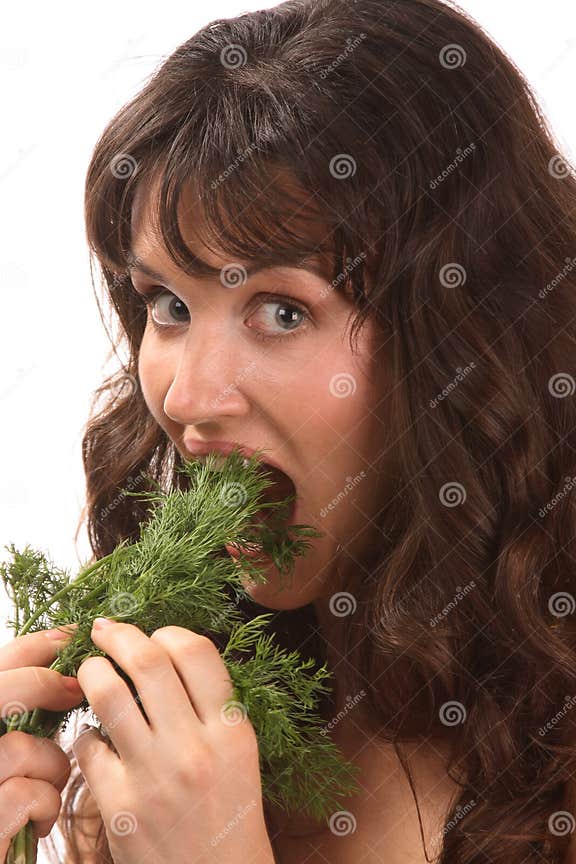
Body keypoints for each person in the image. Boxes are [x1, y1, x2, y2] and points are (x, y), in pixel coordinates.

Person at [2, 0, 576, 860]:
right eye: (168, 304)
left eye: (280, 310)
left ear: (462, 342)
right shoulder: (166, 744)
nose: (188, 398)